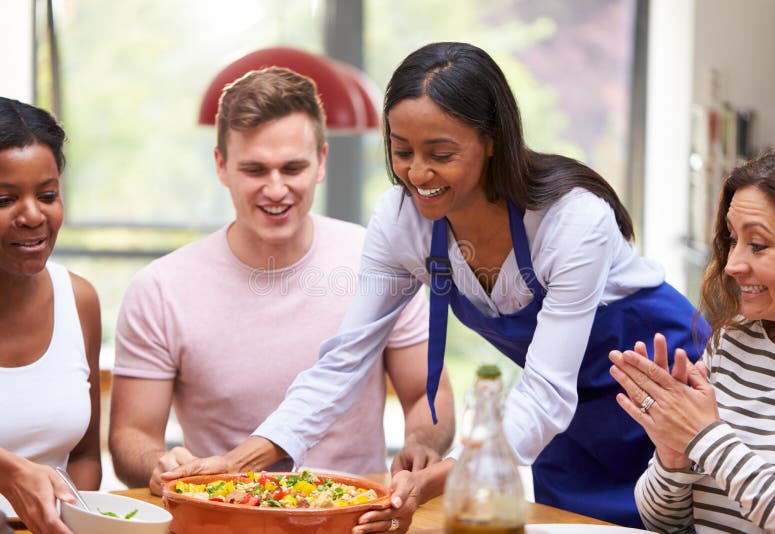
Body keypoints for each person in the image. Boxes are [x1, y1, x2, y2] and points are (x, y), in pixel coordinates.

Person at [163, 42, 709, 530]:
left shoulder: (571, 220)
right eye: (402, 151)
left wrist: (447, 475)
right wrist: (241, 460)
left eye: (441, 154)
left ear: (492, 141)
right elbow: (345, 360)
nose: (417, 173)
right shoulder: (402, 221)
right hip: (565, 428)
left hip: (677, 396)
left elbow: (545, 391)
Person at [108, 67, 455, 497]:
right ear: (221, 166)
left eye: (293, 168)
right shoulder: (160, 288)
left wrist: (421, 442)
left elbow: (428, 393)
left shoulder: (380, 262)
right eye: (255, 170)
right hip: (226, 518)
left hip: (356, 516)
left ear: (322, 162)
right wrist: (158, 465)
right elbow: (130, 437)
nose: (276, 189)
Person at [610, 145, 775, 533]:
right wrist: (672, 455)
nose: (732, 265)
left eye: (758, 244)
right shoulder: (730, 345)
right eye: (732, 240)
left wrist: (706, 438)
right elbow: (663, 524)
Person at [0, 97, 102, 533]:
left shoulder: (78, 300)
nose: (32, 216)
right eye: (4, 199)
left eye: (47, 195)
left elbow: (84, 455)